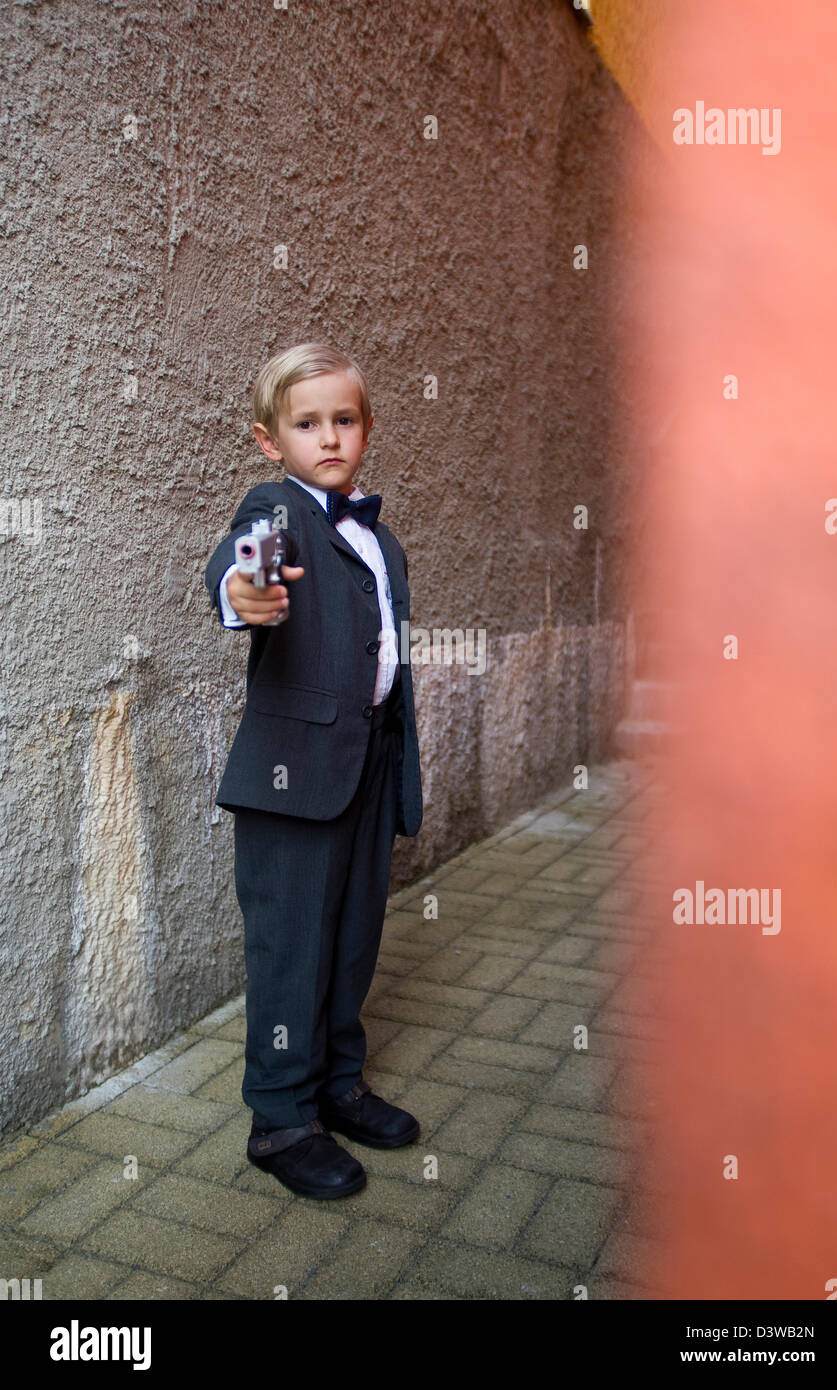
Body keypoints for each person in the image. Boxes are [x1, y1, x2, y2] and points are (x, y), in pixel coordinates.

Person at [203, 341, 423, 1199]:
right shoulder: (276, 511)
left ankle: (335, 1084)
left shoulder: (382, 541)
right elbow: (238, 563)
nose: (327, 437)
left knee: (353, 933)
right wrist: (243, 592)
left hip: (368, 762)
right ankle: (282, 1120)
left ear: (365, 430)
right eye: (306, 424)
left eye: (344, 420)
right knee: (291, 943)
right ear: (270, 440)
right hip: (293, 776)